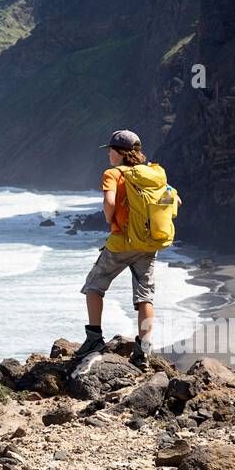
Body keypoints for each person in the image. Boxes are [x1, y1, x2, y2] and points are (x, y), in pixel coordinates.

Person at [75, 129, 177, 371]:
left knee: (94, 286)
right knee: (145, 296)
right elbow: (173, 198)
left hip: (121, 242)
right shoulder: (150, 174)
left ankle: (94, 339)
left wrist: (112, 220)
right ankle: (143, 349)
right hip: (148, 243)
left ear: (119, 152)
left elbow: (110, 202)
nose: (108, 154)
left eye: (110, 149)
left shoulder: (112, 173)